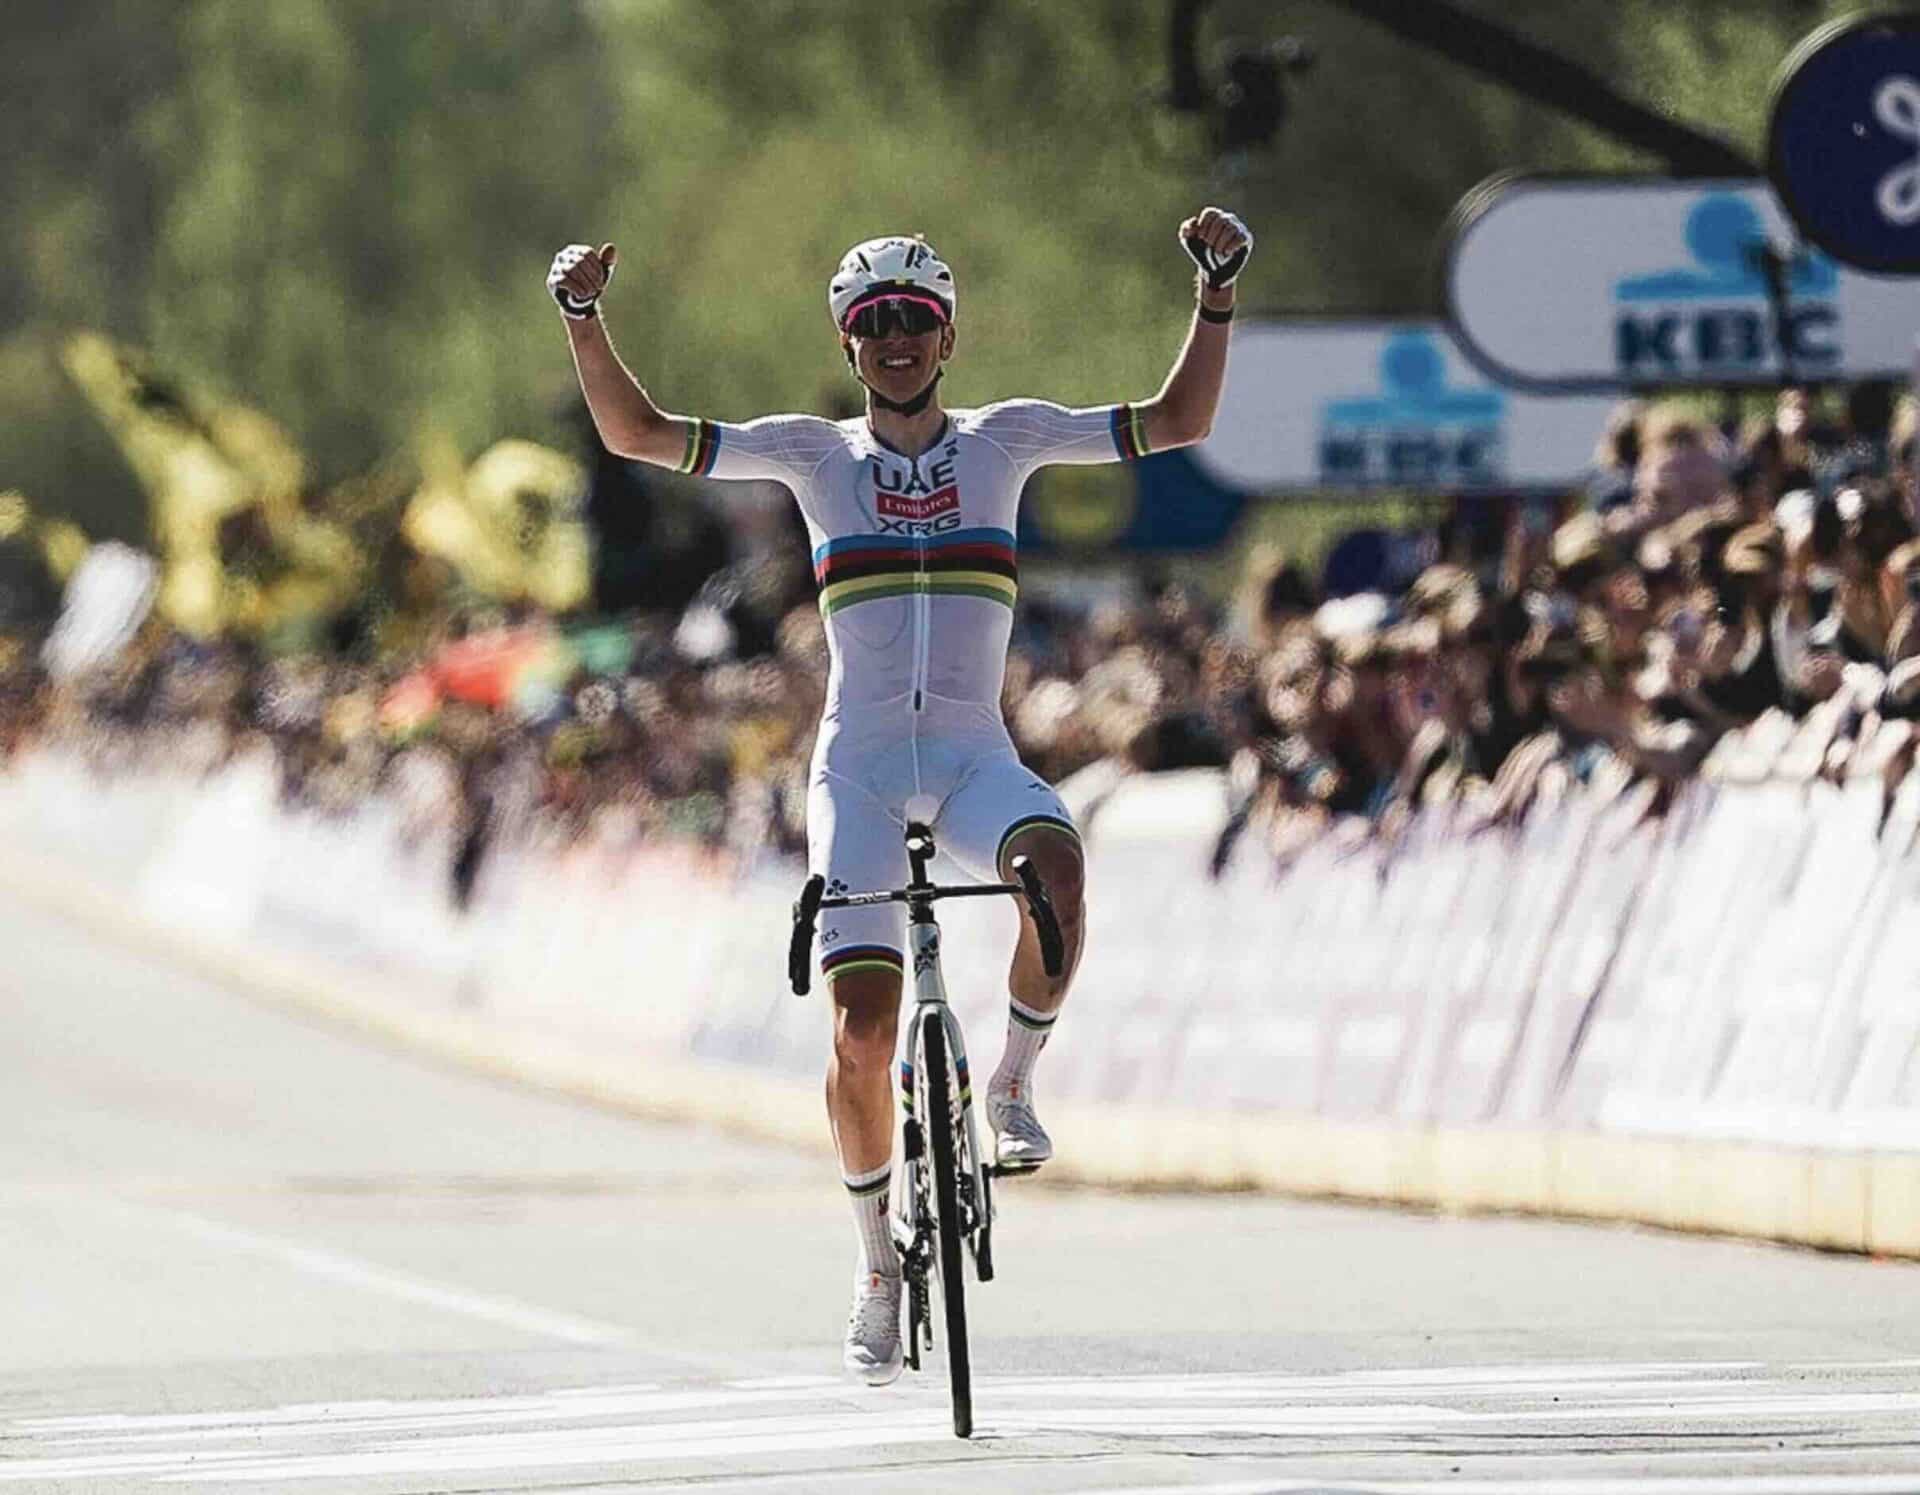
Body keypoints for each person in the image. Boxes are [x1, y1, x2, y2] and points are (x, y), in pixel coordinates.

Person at [546, 208, 1252, 1385]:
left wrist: (1216, 292)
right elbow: (634, 432)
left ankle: (1015, 1080)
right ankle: (877, 1263)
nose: (896, 340)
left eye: (915, 320)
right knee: (863, 1031)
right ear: (848, 340)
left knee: (1059, 867)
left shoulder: (1008, 441)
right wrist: (583, 316)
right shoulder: (813, 455)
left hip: (975, 754)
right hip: (860, 766)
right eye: (873, 324)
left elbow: (1181, 420)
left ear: (949, 335)